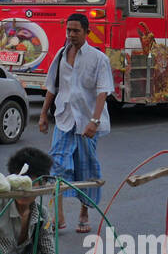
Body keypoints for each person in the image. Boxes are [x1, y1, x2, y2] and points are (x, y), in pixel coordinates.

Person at [38, 12, 113, 234]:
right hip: (64, 119)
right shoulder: (61, 55)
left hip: (87, 123)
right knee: (57, 166)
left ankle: (84, 212)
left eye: (76, 31)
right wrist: (43, 115)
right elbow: (52, 86)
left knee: (86, 167)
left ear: (87, 32)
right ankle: (59, 216)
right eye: (68, 30)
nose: (71, 34)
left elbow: (102, 92)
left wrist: (94, 121)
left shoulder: (99, 59)